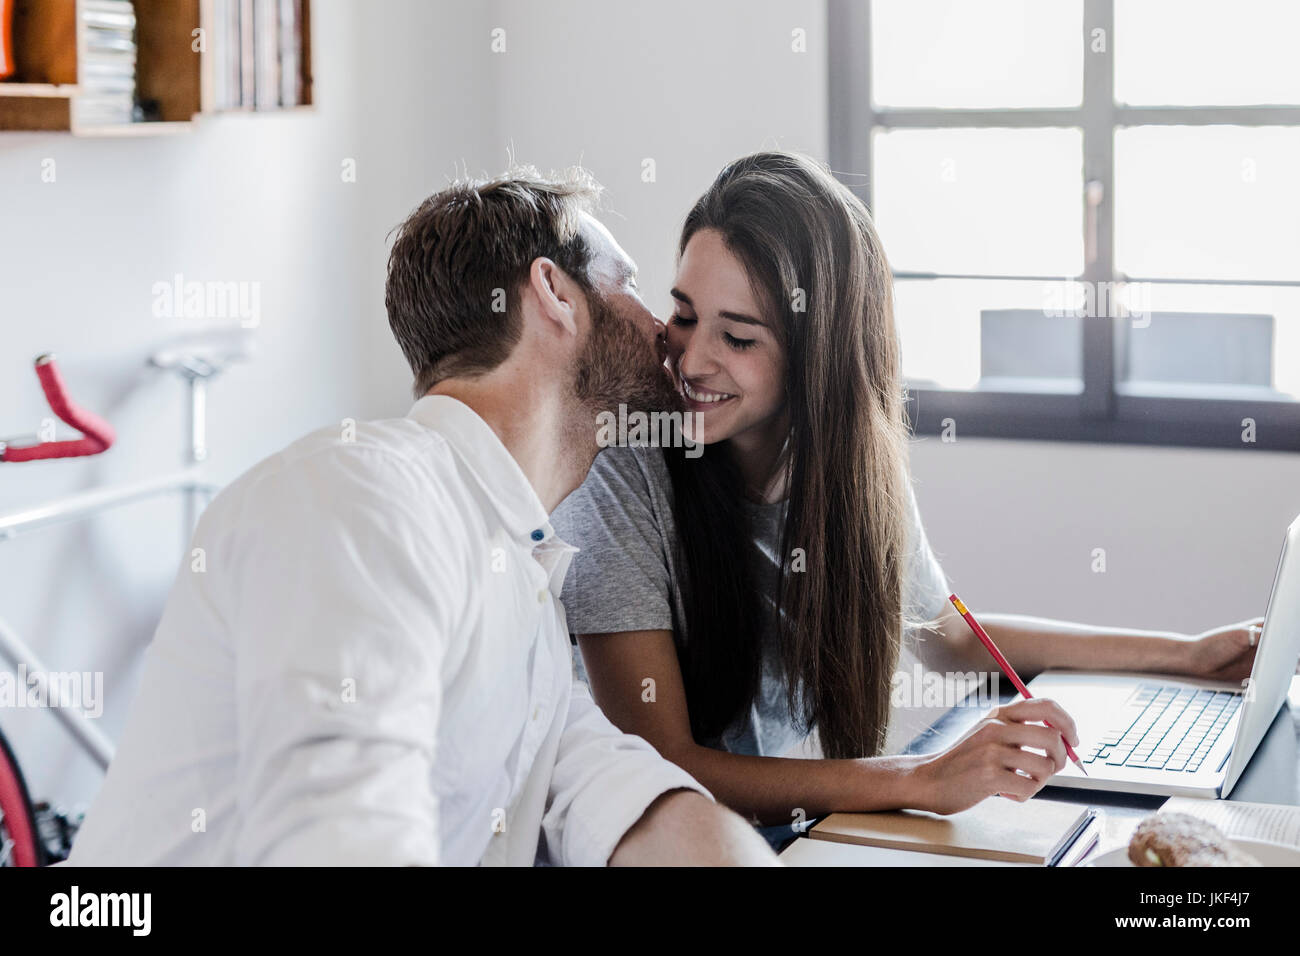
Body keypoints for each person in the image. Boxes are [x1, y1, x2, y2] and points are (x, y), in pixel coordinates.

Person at [69, 167, 777, 867]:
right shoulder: (365, 495)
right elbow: (343, 838)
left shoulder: (521, 593)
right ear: (555, 294)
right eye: (631, 288)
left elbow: (621, 796)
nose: (663, 329)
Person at [553, 151, 1264, 829]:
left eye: (738, 338)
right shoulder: (624, 463)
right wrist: (922, 778)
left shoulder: (846, 468)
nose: (694, 359)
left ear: (817, 356)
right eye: (683, 315)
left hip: (754, 837)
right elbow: (662, 766)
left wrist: (1187, 653)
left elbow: (947, 634)